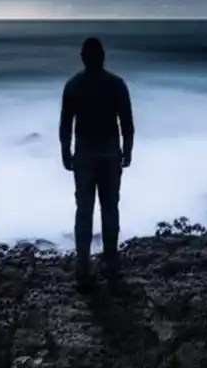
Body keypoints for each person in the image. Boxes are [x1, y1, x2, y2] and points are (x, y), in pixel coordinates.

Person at [59, 36, 134, 286]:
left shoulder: (73, 86)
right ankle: (110, 263)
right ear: (102, 57)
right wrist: (128, 151)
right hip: (110, 153)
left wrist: (65, 152)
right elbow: (127, 123)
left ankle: (83, 268)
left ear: (83, 58)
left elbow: (65, 125)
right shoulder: (116, 84)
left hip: (84, 155)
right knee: (110, 209)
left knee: (84, 212)